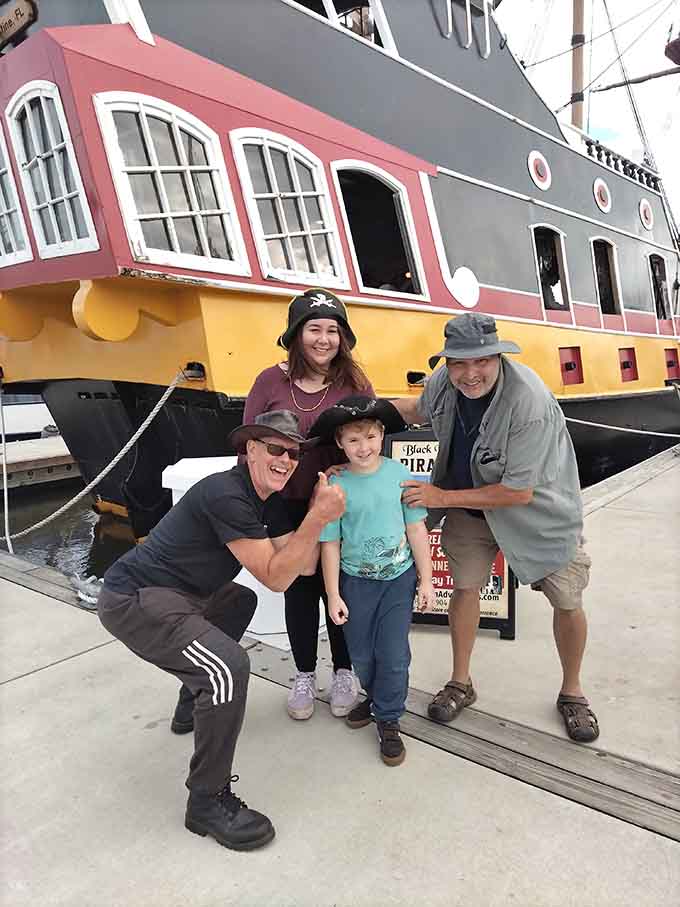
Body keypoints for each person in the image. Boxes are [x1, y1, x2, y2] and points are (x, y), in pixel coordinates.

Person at [97, 411, 345, 851]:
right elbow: (277, 577)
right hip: (134, 597)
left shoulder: (266, 501)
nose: (286, 460)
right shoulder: (226, 494)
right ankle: (207, 801)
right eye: (276, 449)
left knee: (238, 601)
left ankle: (190, 704)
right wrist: (316, 519)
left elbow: (303, 566)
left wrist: (315, 515)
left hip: (185, 595)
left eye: (293, 454)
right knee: (227, 667)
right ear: (250, 449)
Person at [393, 313, 599, 744]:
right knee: (465, 589)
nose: (470, 373)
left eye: (481, 361)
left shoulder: (529, 402)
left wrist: (440, 498)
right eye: (458, 362)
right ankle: (461, 682)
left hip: (537, 515)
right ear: (447, 362)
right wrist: (359, 411)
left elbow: (518, 493)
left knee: (567, 599)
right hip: (469, 509)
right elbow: (417, 409)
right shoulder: (443, 381)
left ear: (498, 356)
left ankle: (573, 692)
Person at [243, 288, 374, 721]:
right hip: (284, 504)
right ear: (296, 334)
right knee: (299, 588)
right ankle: (302, 673)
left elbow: (371, 441)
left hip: (339, 502)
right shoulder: (269, 381)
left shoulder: (354, 383)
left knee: (340, 587)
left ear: (343, 337)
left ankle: (343, 670)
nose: (324, 339)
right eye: (314, 329)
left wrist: (347, 468)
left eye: (332, 330)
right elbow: (248, 446)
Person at [312, 396, 436, 765]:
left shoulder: (400, 475)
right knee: (362, 654)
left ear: (382, 434)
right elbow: (330, 543)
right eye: (353, 440)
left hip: (398, 580)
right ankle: (376, 697)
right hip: (355, 583)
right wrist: (333, 594)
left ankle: (389, 718)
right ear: (339, 443)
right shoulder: (336, 486)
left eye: (369, 437)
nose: (363, 447)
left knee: (393, 653)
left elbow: (416, 529)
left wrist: (427, 580)